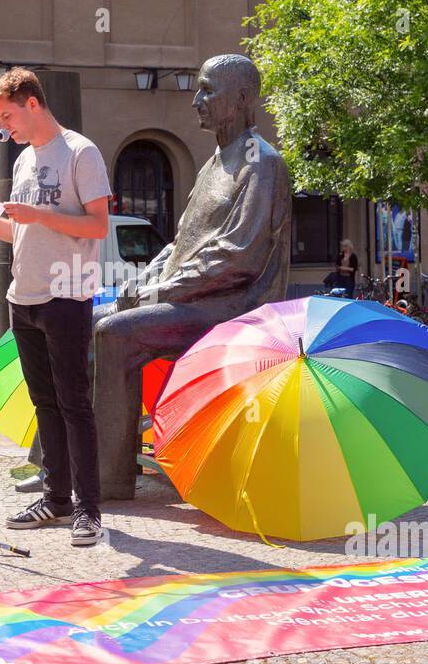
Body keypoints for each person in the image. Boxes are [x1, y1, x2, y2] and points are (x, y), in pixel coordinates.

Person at [91, 54, 291, 499]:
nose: (197, 101)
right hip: (194, 296)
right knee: (84, 325)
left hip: (232, 306)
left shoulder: (261, 164)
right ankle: (60, 469)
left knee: (114, 332)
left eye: (207, 90)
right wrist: (144, 282)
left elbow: (235, 257)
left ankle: (109, 479)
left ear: (240, 99)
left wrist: (161, 290)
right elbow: (182, 243)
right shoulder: (215, 162)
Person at [0, 67, 111, 546]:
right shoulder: (22, 161)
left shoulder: (81, 152)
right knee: (45, 404)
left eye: (8, 116)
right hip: (24, 297)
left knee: (74, 405)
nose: (5, 128)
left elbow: (98, 227)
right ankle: (56, 499)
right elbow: (18, 230)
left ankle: (89, 510)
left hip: (66, 295)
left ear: (33, 103)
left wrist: (38, 214)